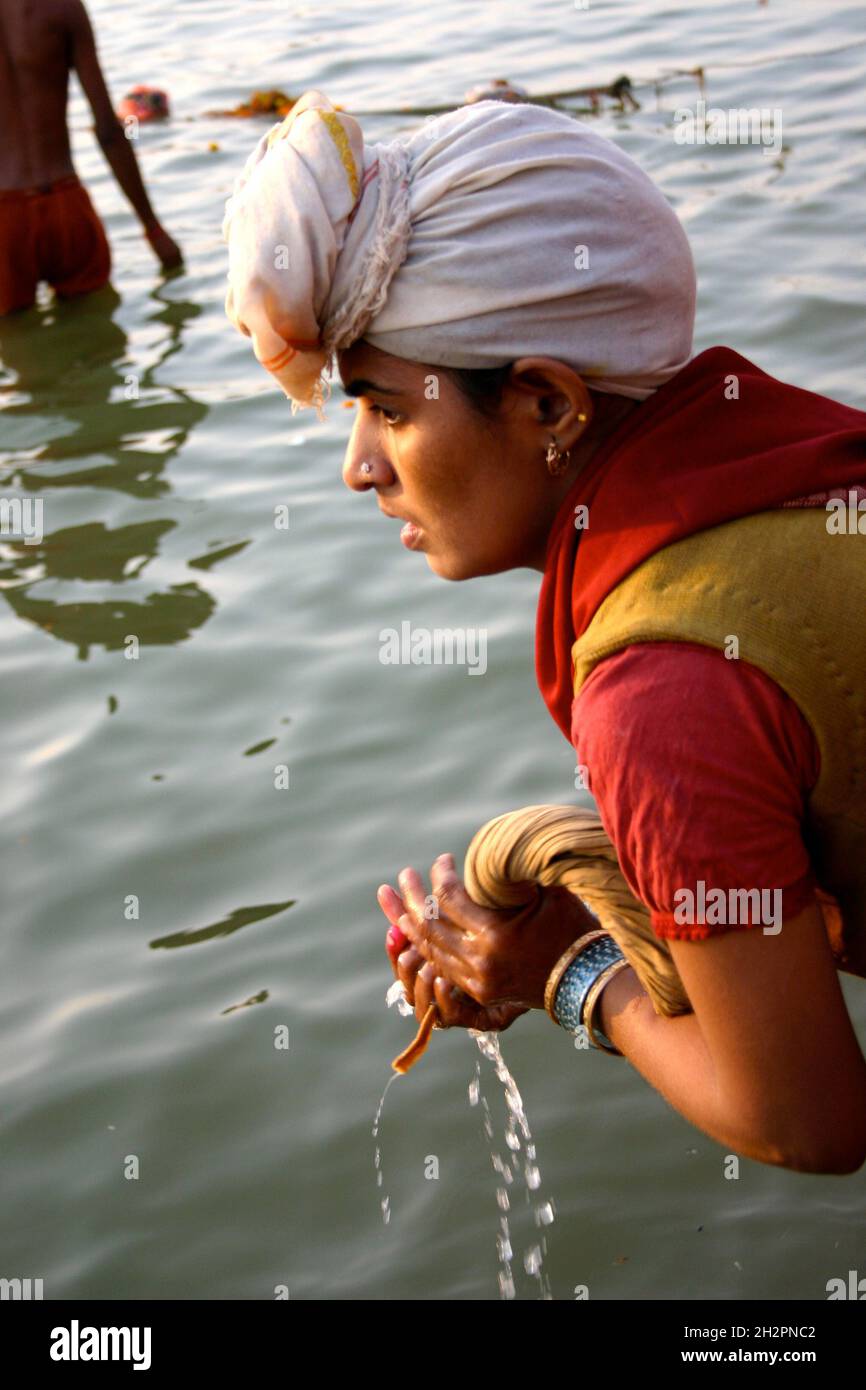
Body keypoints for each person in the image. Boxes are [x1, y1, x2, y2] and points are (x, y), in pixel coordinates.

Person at [222, 90, 866, 1175]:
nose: (359, 466)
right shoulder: (807, 462)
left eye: (386, 407)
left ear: (547, 404)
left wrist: (573, 973)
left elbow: (805, 1122)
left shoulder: (659, 694)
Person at [0, 0, 181, 317]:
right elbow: (109, 132)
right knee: (99, 349)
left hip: (5, 218)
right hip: (65, 205)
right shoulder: (60, 8)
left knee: (21, 348)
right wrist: (152, 227)